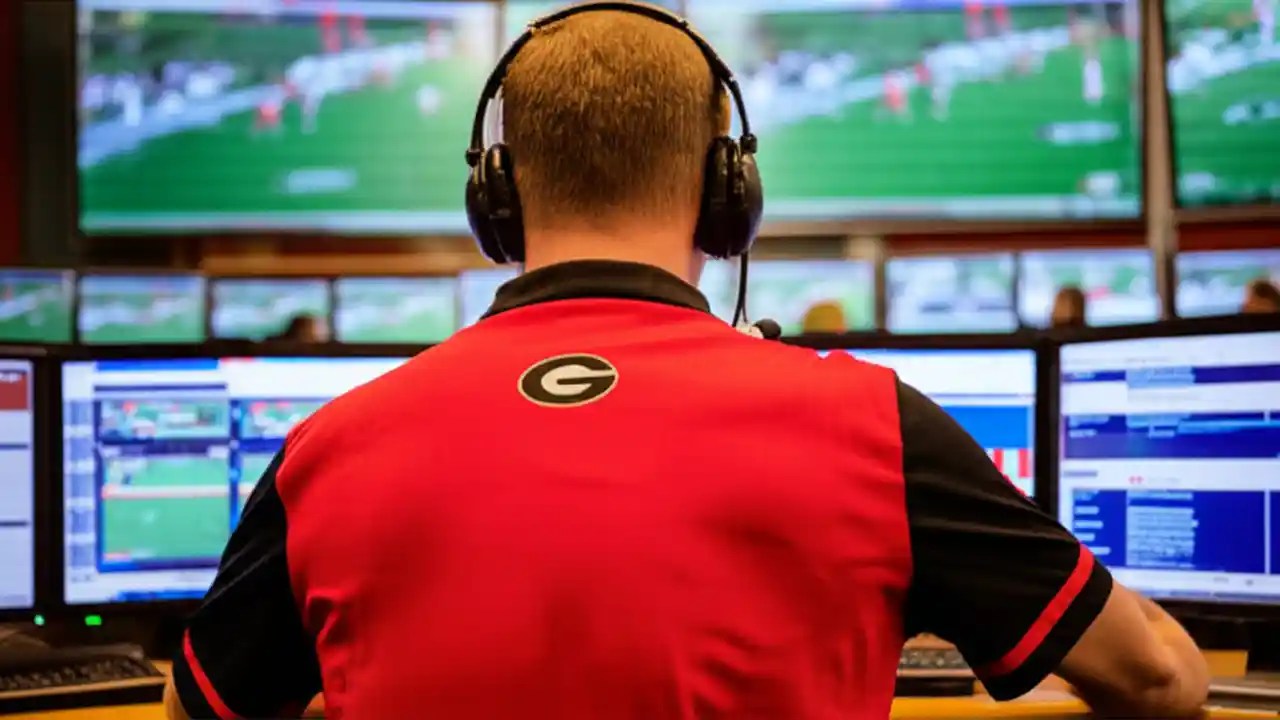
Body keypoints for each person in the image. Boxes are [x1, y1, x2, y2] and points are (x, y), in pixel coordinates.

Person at [165, 5, 1209, 720]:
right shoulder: (872, 427)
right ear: (727, 194)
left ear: (496, 196)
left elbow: (196, 708)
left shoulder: (327, 453)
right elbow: (1158, 682)